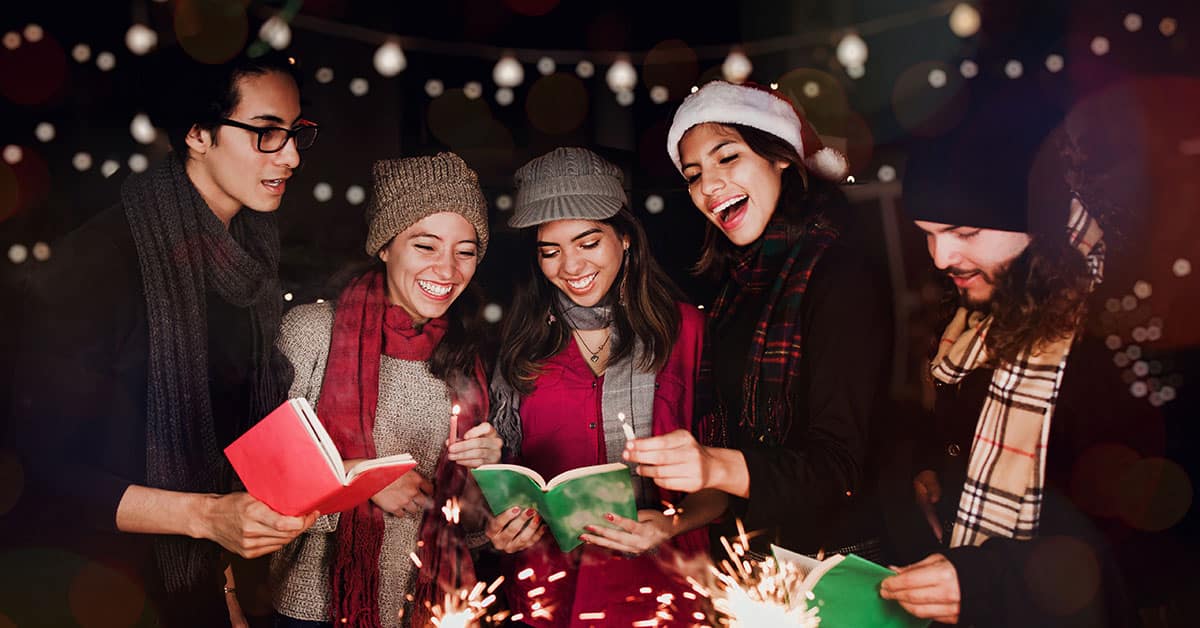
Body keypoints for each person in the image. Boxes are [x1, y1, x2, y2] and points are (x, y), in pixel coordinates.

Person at [2, 51, 319, 626]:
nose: (292, 156)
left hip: (205, 584)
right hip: (94, 586)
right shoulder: (98, 261)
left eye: (296, 134)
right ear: (199, 133)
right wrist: (205, 518)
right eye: (266, 133)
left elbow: (223, 447)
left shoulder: (253, 259)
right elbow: (40, 466)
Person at [878, 96, 1143, 626]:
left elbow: (1150, 550)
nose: (940, 258)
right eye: (927, 234)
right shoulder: (988, 303)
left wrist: (990, 583)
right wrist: (936, 474)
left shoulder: (1125, 332)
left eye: (965, 232)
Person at [625, 80, 893, 559]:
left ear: (781, 155)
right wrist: (676, 521)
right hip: (755, 564)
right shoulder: (735, 290)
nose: (708, 186)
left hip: (838, 567)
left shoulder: (841, 272)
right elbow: (745, 451)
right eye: (692, 174)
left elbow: (840, 469)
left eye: (727, 158)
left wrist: (713, 465)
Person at [487, 147, 723, 627]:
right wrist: (497, 526)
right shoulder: (517, 343)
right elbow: (498, 480)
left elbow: (725, 476)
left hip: (666, 588)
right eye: (549, 251)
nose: (570, 266)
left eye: (588, 242)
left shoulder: (686, 332)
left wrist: (670, 523)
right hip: (549, 590)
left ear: (626, 238)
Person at [269, 153, 502, 628]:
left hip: (432, 610)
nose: (448, 269)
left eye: (466, 250)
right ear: (384, 246)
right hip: (315, 609)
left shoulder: (472, 356)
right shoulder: (312, 333)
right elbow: (261, 485)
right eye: (425, 245)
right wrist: (360, 478)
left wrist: (488, 475)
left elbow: (470, 527)